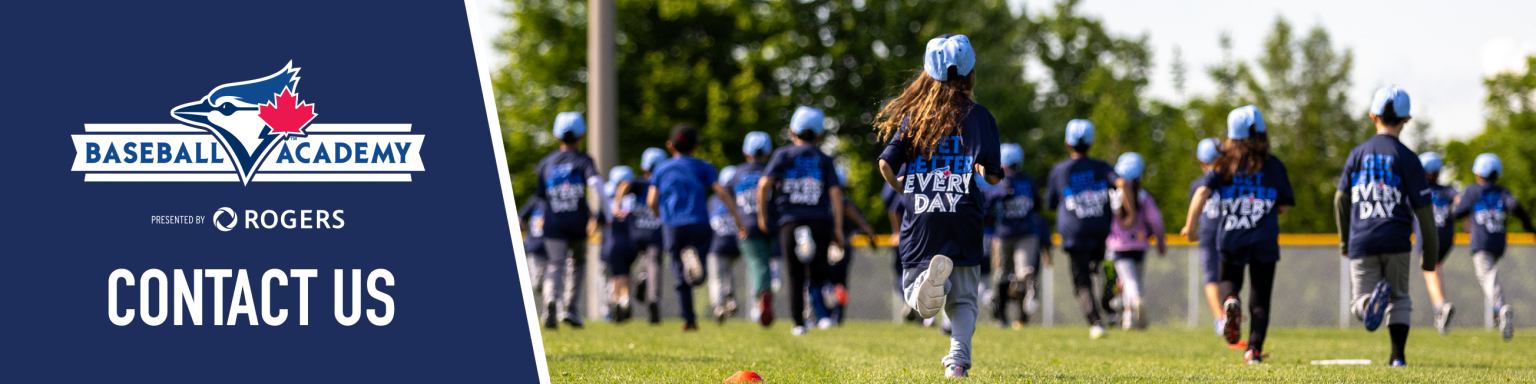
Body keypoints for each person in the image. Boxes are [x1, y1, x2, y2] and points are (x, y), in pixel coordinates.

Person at [875, 34, 1002, 378]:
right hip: (963, 213)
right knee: (964, 300)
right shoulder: (980, 117)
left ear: (929, 74)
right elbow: (992, 176)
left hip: (922, 213)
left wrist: (903, 187)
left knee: (914, 288)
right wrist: (978, 170)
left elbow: (886, 164)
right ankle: (957, 362)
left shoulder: (914, 116)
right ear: (971, 72)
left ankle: (927, 289)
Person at [1333, 86, 1440, 367]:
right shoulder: (1408, 158)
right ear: (1406, 120)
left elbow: (1341, 201)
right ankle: (1397, 358)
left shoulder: (1357, 154)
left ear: (1372, 116)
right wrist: (1430, 257)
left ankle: (1369, 306)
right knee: (1400, 298)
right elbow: (1425, 214)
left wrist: (1345, 241)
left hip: (1362, 239)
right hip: (1396, 237)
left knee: (1359, 300)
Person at [1182, 105, 1294, 365]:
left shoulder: (1224, 165)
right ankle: (1253, 351)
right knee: (1260, 301)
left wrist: (1191, 228)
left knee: (1228, 282)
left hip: (1231, 237)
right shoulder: (1274, 165)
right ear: (1263, 134)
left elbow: (1201, 192)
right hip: (1264, 239)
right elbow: (1283, 206)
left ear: (1231, 136)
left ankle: (1230, 301)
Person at [757, 106, 845, 335]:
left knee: (794, 274)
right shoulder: (824, 158)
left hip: (790, 218)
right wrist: (837, 227)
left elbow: (764, 184)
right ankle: (822, 313)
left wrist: (763, 215)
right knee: (818, 271)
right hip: (819, 218)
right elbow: (835, 194)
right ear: (820, 135)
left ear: (791, 130)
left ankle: (798, 324)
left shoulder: (783, 155)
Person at [648, 124, 741, 332]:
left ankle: (689, 321)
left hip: (672, 224)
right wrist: (737, 218)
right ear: (696, 145)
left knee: (680, 275)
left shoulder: (661, 169)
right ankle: (695, 260)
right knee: (698, 275)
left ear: (670, 146)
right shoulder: (704, 166)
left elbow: (651, 200)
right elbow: (721, 192)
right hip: (698, 221)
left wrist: (660, 215)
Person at [1045, 119, 1118, 339]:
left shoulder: (1059, 170)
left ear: (1067, 143)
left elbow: (1049, 203)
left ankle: (1096, 323)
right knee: (1101, 264)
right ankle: (1107, 282)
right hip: (1100, 229)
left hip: (1074, 232)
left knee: (1082, 281)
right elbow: (1120, 184)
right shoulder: (1102, 166)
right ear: (1091, 142)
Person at [532, 112, 603, 330]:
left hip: (553, 222)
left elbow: (541, 197)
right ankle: (570, 308)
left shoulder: (546, 163)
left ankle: (551, 299)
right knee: (578, 262)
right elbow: (596, 185)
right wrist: (603, 214)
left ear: (556, 136)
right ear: (582, 135)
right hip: (578, 221)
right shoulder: (583, 160)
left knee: (555, 263)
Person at [1453, 153, 1533, 341]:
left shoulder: (1473, 191)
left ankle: (1500, 307)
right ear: (1497, 175)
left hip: (1481, 243)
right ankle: (1497, 312)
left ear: (1478, 175)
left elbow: (1457, 213)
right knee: (1491, 275)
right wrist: (1531, 229)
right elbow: (1516, 208)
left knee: (1487, 276)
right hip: (1498, 243)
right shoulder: (1503, 192)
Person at [718, 132, 777, 327]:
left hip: (746, 226)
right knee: (765, 262)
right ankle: (764, 296)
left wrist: (738, 222)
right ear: (768, 152)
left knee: (756, 263)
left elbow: (725, 198)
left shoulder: (736, 173)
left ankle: (763, 295)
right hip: (771, 224)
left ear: (746, 151)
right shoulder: (773, 170)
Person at [985, 143, 1044, 329]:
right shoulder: (1028, 179)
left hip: (1005, 233)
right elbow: (1037, 205)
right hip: (1024, 231)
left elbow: (987, 208)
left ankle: (1002, 317)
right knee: (1022, 272)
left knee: (1003, 275)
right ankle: (1022, 305)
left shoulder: (999, 180)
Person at [1106, 152, 1166, 330]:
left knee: (1128, 281)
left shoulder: (1112, 195)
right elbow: (1156, 221)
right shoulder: (1144, 197)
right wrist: (1161, 242)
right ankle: (1128, 319)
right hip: (1140, 245)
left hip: (1119, 246)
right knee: (1134, 280)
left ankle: (1136, 301)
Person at [616, 147, 669, 323]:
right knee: (654, 262)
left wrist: (617, 205)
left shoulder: (638, 183)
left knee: (640, 262)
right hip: (655, 232)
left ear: (644, 166)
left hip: (636, 232)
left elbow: (624, 185)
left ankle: (641, 279)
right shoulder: (665, 184)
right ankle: (654, 298)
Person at [1416, 152, 1460, 335]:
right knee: (1435, 267)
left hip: (1427, 235)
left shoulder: (1417, 188)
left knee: (1429, 269)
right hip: (1446, 235)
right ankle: (1439, 312)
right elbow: (1461, 200)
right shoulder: (1446, 190)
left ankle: (1440, 306)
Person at [829, 166, 879, 326]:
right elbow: (863, 225)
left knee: (829, 283)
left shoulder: (833, 203)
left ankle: (829, 315)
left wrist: (869, 234)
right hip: (841, 246)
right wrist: (869, 235)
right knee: (839, 283)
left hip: (834, 246)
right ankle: (836, 316)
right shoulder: (846, 204)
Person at [1190, 138, 1230, 339]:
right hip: (1228, 233)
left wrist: (1190, 229)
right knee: (1227, 277)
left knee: (1211, 279)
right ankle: (1228, 312)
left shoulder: (1197, 184)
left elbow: (1195, 209)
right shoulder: (1229, 180)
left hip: (1207, 234)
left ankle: (1220, 319)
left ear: (1201, 161)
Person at [600, 166, 640, 323]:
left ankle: (619, 301)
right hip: (632, 244)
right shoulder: (635, 201)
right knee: (626, 274)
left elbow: (594, 225)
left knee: (618, 276)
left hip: (613, 244)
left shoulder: (609, 203)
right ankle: (625, 298)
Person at [707, 166, 743, 325]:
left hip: (718, 244)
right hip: (736, 244)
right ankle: (730, 298)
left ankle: (719, 306)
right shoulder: (738, 199)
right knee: (727, 271)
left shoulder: (713, 200)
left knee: (716, 277)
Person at [518, 195, 549, 307]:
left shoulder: (556, 198)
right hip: (534, 247)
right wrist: (528, 231)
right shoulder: (535, 200)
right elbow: (520, 218)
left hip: (552, 247)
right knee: (536, 283)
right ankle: (549, 296)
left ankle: (551, 300)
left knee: (553, 280)